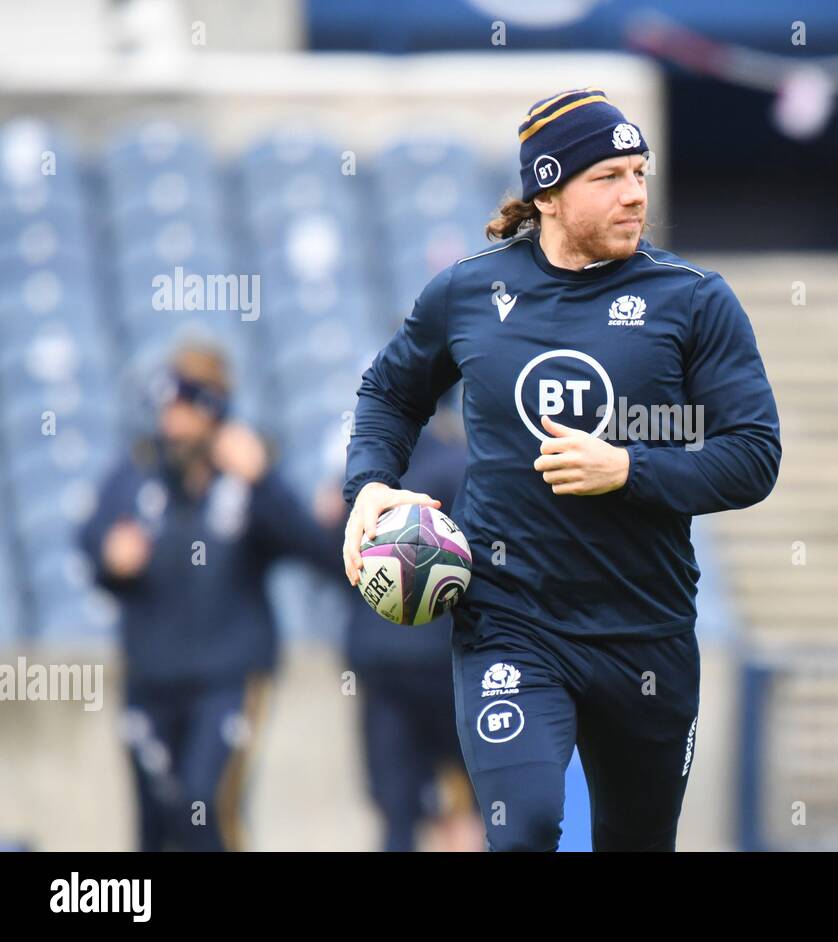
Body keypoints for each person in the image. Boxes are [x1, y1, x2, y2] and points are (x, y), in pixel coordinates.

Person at [341, 87, 781, 851]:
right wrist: (370, 484)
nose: (636, 193)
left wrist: (630, 469)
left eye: (640, 173)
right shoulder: (468, 293)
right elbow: (389, 391)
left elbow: (752, 456)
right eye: (609, 177)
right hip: (511, 622)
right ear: (547, 191)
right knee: (527, 826)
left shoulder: (695, 302)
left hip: (646, 633)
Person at [80, 342, 344, 851]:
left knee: (205, 806)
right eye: (166, 409)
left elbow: (321, 553)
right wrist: (108, 555)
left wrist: (264, 481)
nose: (171, 423)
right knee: (157, 818)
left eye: (184, 409)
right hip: (151, 679)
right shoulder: (138, 473)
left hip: (228, 678)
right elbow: (92, 540)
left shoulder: (244, 478)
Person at [340, 396, 482, 852]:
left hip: (435, 669)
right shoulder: (367, 478)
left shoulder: (448, 466)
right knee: (404, 810)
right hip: (402, 669)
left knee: (442, 811)